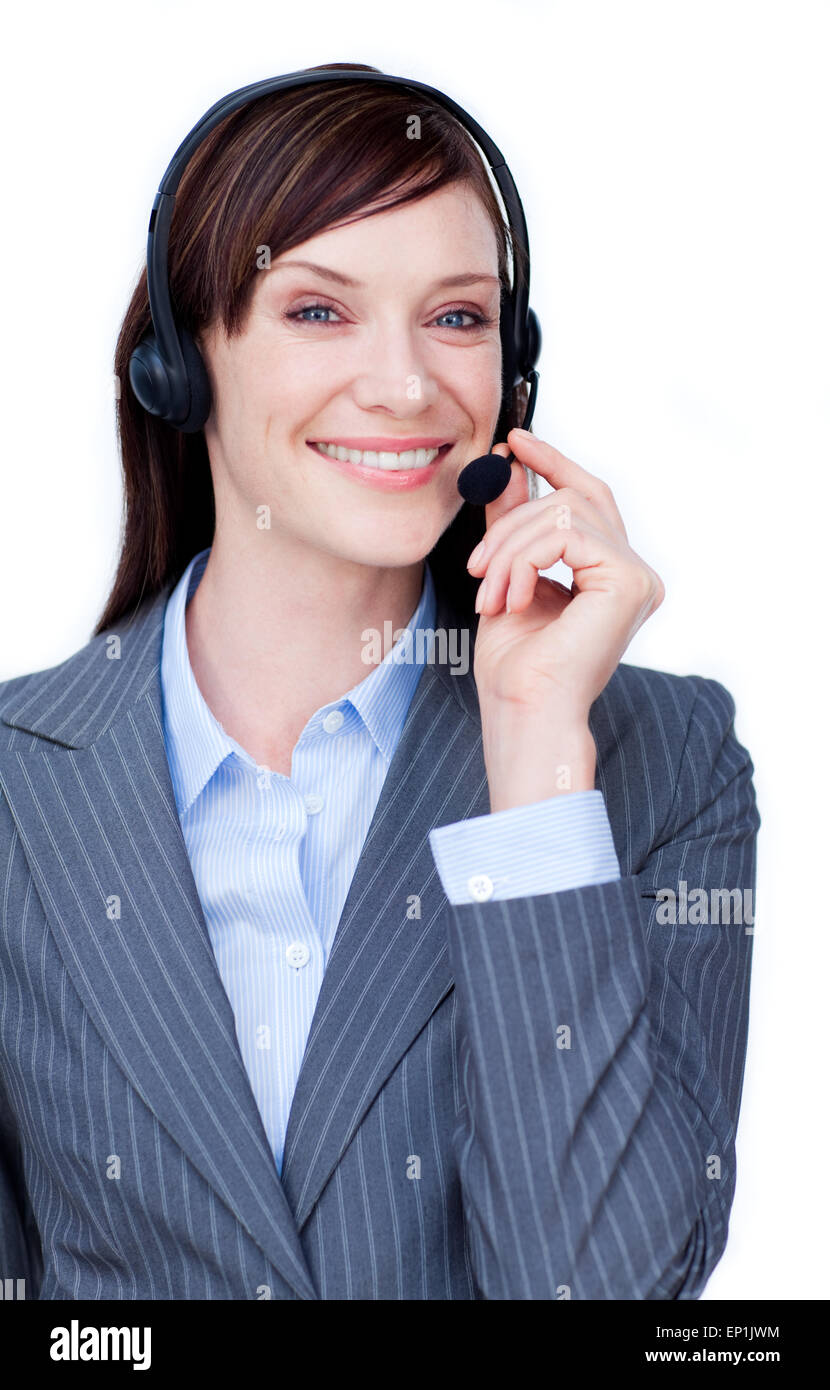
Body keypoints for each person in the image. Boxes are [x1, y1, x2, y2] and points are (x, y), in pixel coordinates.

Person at [0, 63, 759, 1301]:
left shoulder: (663, 757)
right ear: (180, 363)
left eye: (456, 318)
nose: (408, 387)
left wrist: (532, 761)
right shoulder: (18, 783)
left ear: (512, 368)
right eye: (317, 310)